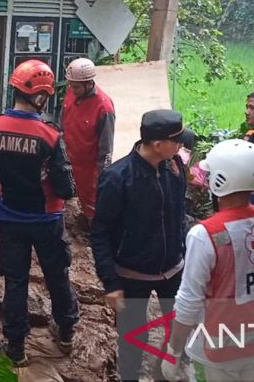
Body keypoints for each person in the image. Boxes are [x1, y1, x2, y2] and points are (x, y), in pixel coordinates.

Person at [0, 59, 78, 367]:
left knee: (15, 280)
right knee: (57, 274)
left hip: (8, 218)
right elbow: (66, 187)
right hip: (48, 219)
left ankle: (15, 347)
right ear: (41, 97)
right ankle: (66, 331)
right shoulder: (50, 135)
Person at [162, 139, 254, 382]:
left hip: (217, 349)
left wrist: (173, 351)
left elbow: (189, 301)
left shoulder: (205, 234)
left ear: (221, 179)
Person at [90, 109, 188, 381]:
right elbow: (100, 232)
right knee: (132, 337)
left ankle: (163, 373)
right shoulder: (117, 178)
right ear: (158, 145)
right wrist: (110, 282)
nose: (181, 146)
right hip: (131, 275)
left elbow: (180, 213)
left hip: (174, 270)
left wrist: (185, 255)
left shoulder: (175, 167)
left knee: (178, 328)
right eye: (176, 141)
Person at [60, 57, 115, 224]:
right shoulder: (72, 92)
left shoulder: (104, 108)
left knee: (92, 202)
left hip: (89, 166)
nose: (71, 89)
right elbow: (63, 119)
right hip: (67, 157)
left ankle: (94, 233)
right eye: (70, 84)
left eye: (75, 86)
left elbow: (106, 146)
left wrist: (102, 174)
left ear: (88, 83)